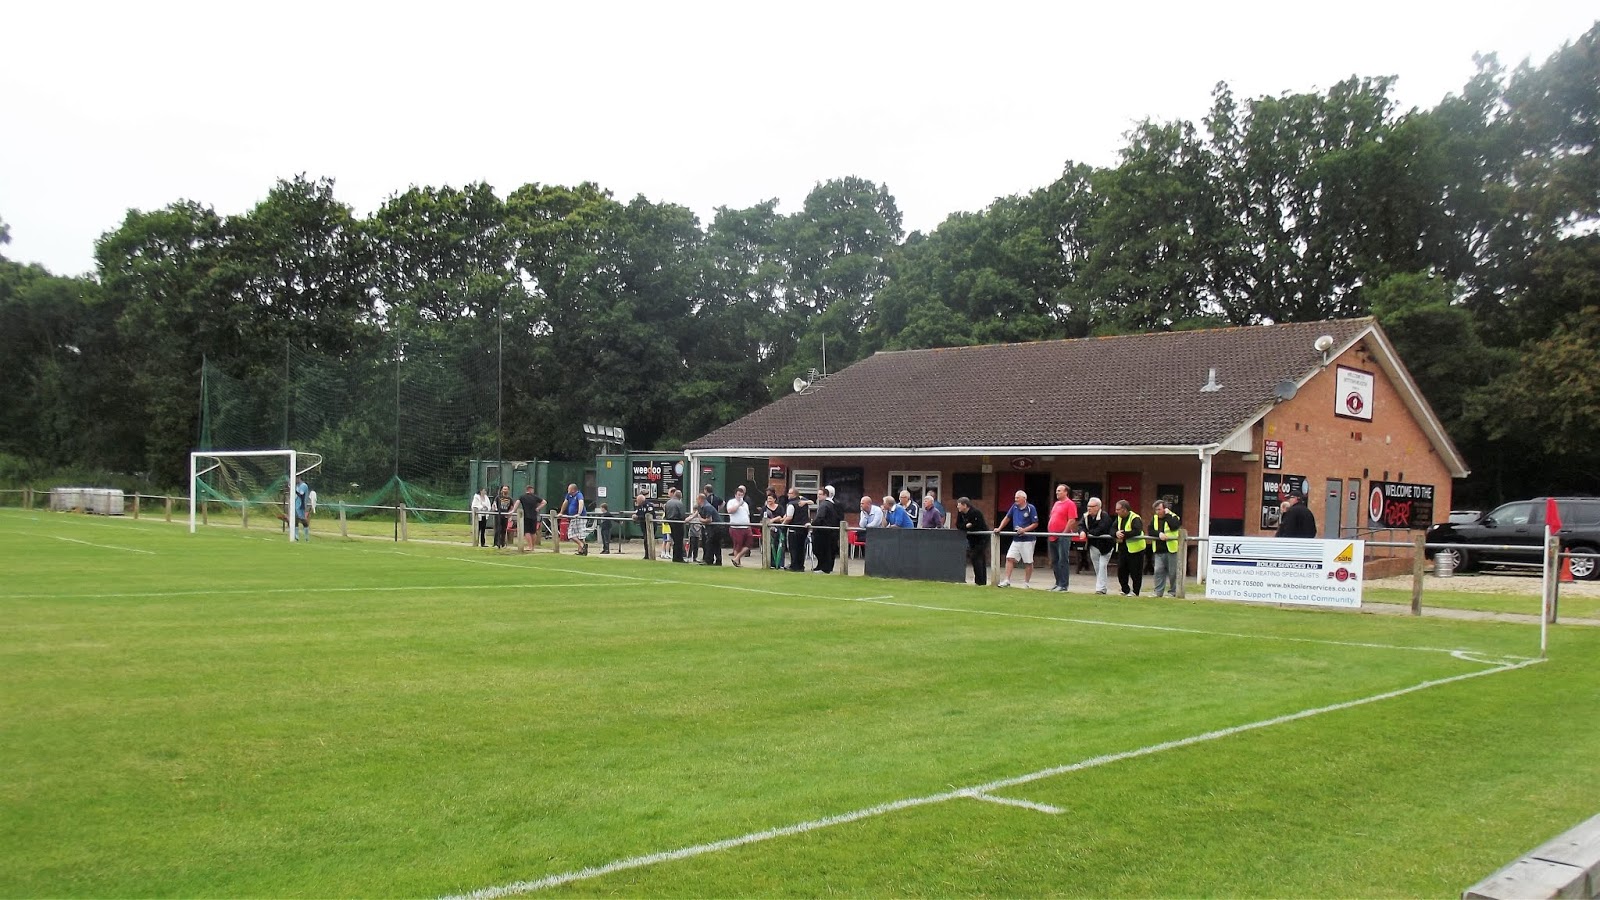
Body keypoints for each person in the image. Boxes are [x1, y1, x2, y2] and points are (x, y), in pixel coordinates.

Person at [995, 490, 1039, 588]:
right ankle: (1006, 580)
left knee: (1028, 562)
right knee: (1009, 558)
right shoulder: (1014, 507)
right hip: (1016, 539)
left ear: (1024, 498)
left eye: (1017, 498)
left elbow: (1035, 523)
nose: (1016, 500)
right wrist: (999, 528)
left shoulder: (1031, 508)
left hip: (1028, 539)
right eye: (1015, 498)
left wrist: (1024, 530)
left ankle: (1026, 583)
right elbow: (1007, 518)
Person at [1047, 483, 1079, 592]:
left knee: (1063, 560)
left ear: (1066, 492)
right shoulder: (1056, 504)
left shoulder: (1070, 504)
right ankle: (1058, 583)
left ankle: (1064, 585)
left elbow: (1072, 520)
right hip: (1052, 536)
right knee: (1055, 560)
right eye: (1056, 491)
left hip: (1063, 537)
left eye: (1059, 491)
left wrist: (1064, 533)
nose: (1057, 492)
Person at [1114, 499, 1147, 596]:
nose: (1116, 511)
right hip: (1123, 549)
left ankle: (1135, 591)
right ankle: (1125, 589)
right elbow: (1112, 528)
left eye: (1118, 509)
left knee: (1135, 572)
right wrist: (1116, 533)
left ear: (1124, 509)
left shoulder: (1135, 518)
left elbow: (1137, 531)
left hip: (1136, 550)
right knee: (1121, 571)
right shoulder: (1119, 518)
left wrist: (1123, 534)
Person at [954, 497, 990, 586]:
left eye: (959, 505)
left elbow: (978, 525)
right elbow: (958, 525)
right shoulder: (961, 514)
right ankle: (980, 581)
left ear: (965, 505)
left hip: (982, 538)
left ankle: (980, 581)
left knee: (976, 556)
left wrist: (970, 526)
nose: (957, 507)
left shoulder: (976, 513)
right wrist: (967, 526)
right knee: (977, 558)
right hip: (972, 540)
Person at [1149, 499, 1181, 597]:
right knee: (1158, 571)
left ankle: (1173, 592)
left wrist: (1167, 515)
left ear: (1165, 509)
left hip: (1171, 549)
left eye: (1159, 509)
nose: (1157, 512)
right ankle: (1158, 592)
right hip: (1159, 549)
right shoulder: (1154, 518)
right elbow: (1150, 530)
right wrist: (1159, 534)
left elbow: (1174, 526)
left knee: (1173, 572)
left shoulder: (1174, 517)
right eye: (1156, 510)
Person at [1083, 497, 1115, 594]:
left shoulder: (1105, 516)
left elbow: (1100, 530)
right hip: (1094, 546)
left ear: (1098, 507)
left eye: (1091, 506)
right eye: (1088, 506)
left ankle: (1100, 589)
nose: (1089, 508)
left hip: (1106, 546)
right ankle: (1102, 587)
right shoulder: (1086, 516)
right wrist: (1082, 531)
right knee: (1097, 567)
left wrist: (1088, 532)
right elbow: (1081, 525)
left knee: (1102, 566)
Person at [810, 486, 842, 573]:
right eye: (818, 494)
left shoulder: (824, 505)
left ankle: (825, 568)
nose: (818, 496)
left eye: (820, 494)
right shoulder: (831, 504)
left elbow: (820, 517)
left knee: (822, 550)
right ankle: (822, 567)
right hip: (829, 531)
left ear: (826, 495)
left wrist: (812, 525)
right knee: (826, 550)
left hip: (823, 532)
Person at [512, 484, 546, 553]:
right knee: (533, 532)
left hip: (526, 516)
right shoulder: (535, 497)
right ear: (531, 490)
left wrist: (513, 510)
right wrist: (538, 508)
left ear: (526, 490)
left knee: (527, 532)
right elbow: (544, 502)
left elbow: (517, 503)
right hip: (534, 516)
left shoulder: (522, 497)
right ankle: (532, 546)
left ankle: (529, 546)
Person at [785, 487, 812, 571]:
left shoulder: (791, 504)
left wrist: (783, 524)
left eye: (789, 493)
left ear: (794, 494)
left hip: (794, 529)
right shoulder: (803, 502)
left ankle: (794, 566)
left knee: (793, 548)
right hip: (803, 529)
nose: (788, 495)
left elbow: (789, 517)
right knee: (801, 549)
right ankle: (801, 566)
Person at [696, 490, 722, 565]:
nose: (696, 501)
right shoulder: (704, 507)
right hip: (716, 528)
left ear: (700, 499)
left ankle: (709, 560)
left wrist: (700, 519)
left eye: (697, 499)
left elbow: (709, 520)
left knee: (710, 544)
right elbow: (697, 513)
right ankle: (718, 561)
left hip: (715, 528)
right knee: (716, 545)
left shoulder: (707, 507)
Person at [762, 490, 787, 568]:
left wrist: (773, 520)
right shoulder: (764, 508)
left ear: (774, 499)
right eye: (768, 499)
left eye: (770, 499)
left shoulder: (780, 507)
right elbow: (762, 519)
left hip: (778, 529)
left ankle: (780, 564)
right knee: (770, 546)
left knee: (780, 546)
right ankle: (771, 563)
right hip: (768, 530)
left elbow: (782, 517)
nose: (769, 500)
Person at [663, 488, 687, 563]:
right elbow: (682, 514)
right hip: (678, 522)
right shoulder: (679, 503)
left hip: (670, 522)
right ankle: (679, 557)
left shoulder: (668, 503)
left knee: (674, 540)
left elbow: (666, 513)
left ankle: (675, 557)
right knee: (679, 541)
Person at [559, 483, 585, 549]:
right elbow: (565, 503)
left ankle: (582, 547)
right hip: (572, 517)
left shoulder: (579, 495)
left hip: (579, 517)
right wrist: (561, 512)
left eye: (569, 488)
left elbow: (581, 503)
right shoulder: (568, 495)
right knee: (572, 534)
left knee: (576, 535)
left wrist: (579, 513)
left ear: (573, 490)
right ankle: (582, 547)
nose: (567, 490)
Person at [492, 485, 514, 549]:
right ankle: (496, 543)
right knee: (497, 529)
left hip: (505, 516)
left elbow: (511, 508)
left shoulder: (510, 499)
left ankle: (503, 543)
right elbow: (494, 505)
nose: (505, 491)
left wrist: (509, 515)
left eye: (506, 489)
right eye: (504, 489)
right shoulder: (498, 497)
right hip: (498, 515)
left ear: (508, 490)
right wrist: (494, 510)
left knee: (504, 530)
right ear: (501, 490)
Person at [293, 475, 311, 541]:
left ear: (299, 478)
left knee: (302, 520)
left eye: (295, 479)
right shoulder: (297, 486)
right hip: (295, 504)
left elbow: (301, 495)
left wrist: (294, 490)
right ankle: (296, 536)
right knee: (295, 519)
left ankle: (306, 537)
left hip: (301, 505)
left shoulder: (303, 485)